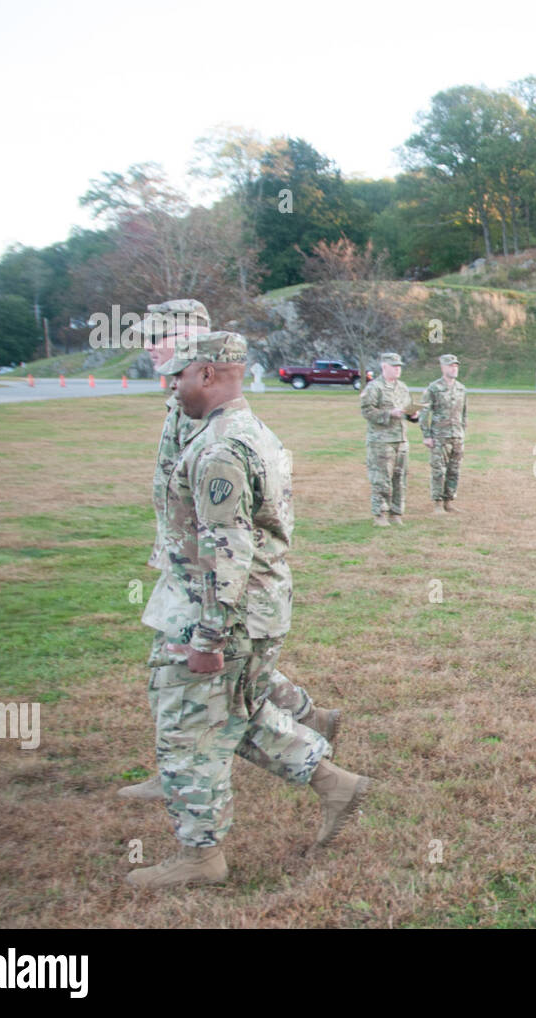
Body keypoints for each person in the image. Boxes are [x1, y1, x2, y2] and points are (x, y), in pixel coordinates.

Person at [127, 331, 370, 888]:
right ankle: (334, 782)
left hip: (219, 615)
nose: (173, 385)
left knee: (190, 734)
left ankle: (200, 857)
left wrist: (208, 638)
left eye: (181, 375)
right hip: (254, 609)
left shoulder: (221, 448)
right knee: (235, 714)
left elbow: (227, 550)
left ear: (208, 374)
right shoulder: (251, 431)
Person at [118, 301, 338, 802]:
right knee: (202, 692)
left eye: (160, 338)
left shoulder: (215, 419)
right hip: (198, 569)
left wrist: (211, 628)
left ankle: (321, 770)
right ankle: (187, 767)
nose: (151, 349)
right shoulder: (189, 401)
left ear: (197, 345)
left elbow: (229, 529)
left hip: (216, 577)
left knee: (212, 699)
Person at [360, 351, 416, 526]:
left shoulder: (403, 387)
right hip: (381, 441)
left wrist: (413, 415)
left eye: (399, 366)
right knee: (381, 479)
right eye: (394, 366)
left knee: (400, 478)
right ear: (384, 367)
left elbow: (407, 408)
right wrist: (389, 413)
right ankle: (380, 514)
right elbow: (367, 411)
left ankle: (396, 513)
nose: (398, 370)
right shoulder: (374, 387)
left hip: (400, 439)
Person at [420, 353, 467, 515]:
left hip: (457, 436)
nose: (454, 368)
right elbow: (424, 412)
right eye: (451, 366)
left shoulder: (461, 388)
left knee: (454, 470)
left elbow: (464, 414)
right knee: (439, 470)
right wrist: (426, 435)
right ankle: (438, 503)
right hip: (439, 437)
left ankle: (449, 501)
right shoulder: (434, 388)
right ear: (443, 367)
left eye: (456, 366)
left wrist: (462, 432)